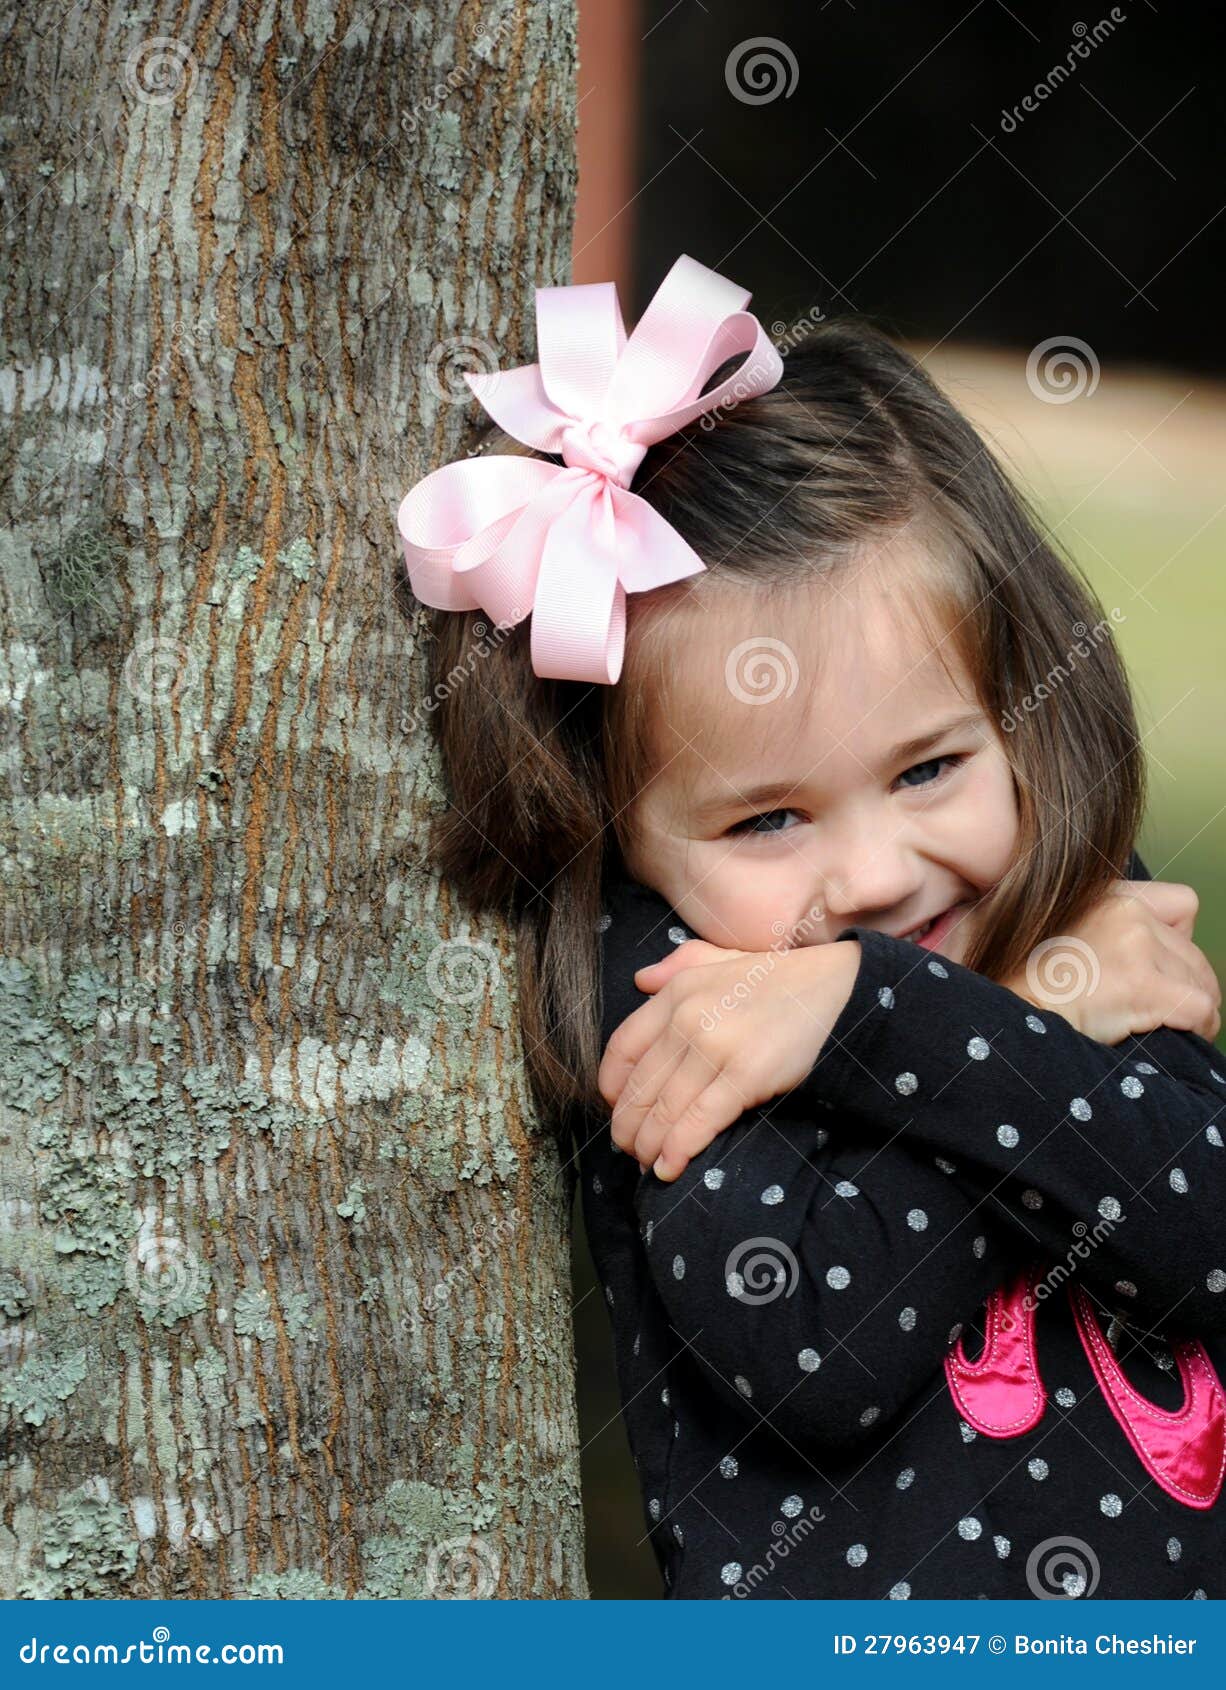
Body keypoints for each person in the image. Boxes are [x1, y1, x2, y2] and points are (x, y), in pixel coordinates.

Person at [397, 255, 1226, 1599]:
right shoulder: (688, 1004)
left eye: (925, 770)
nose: (878, 874)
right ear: (627, 833)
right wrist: (974, 1014)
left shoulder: (1068, 899)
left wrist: (907, 1010)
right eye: (767, 821)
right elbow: (816, 1349)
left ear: (1019, 702)